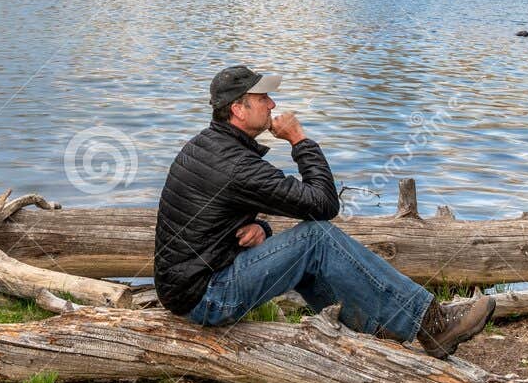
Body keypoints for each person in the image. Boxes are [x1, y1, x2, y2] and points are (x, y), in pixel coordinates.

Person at [153, 65, 495, 358]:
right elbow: (324, 204)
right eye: (262, 98)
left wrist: (264, 229)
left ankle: (373, 333)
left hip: (191, 289)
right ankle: (432, 324)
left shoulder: (207, 146)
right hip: (208, 298)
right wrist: (299, 139)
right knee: (317, 239)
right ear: (238, 110)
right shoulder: (235, 164)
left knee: (308, 249)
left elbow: (212, 222)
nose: (272, 104)